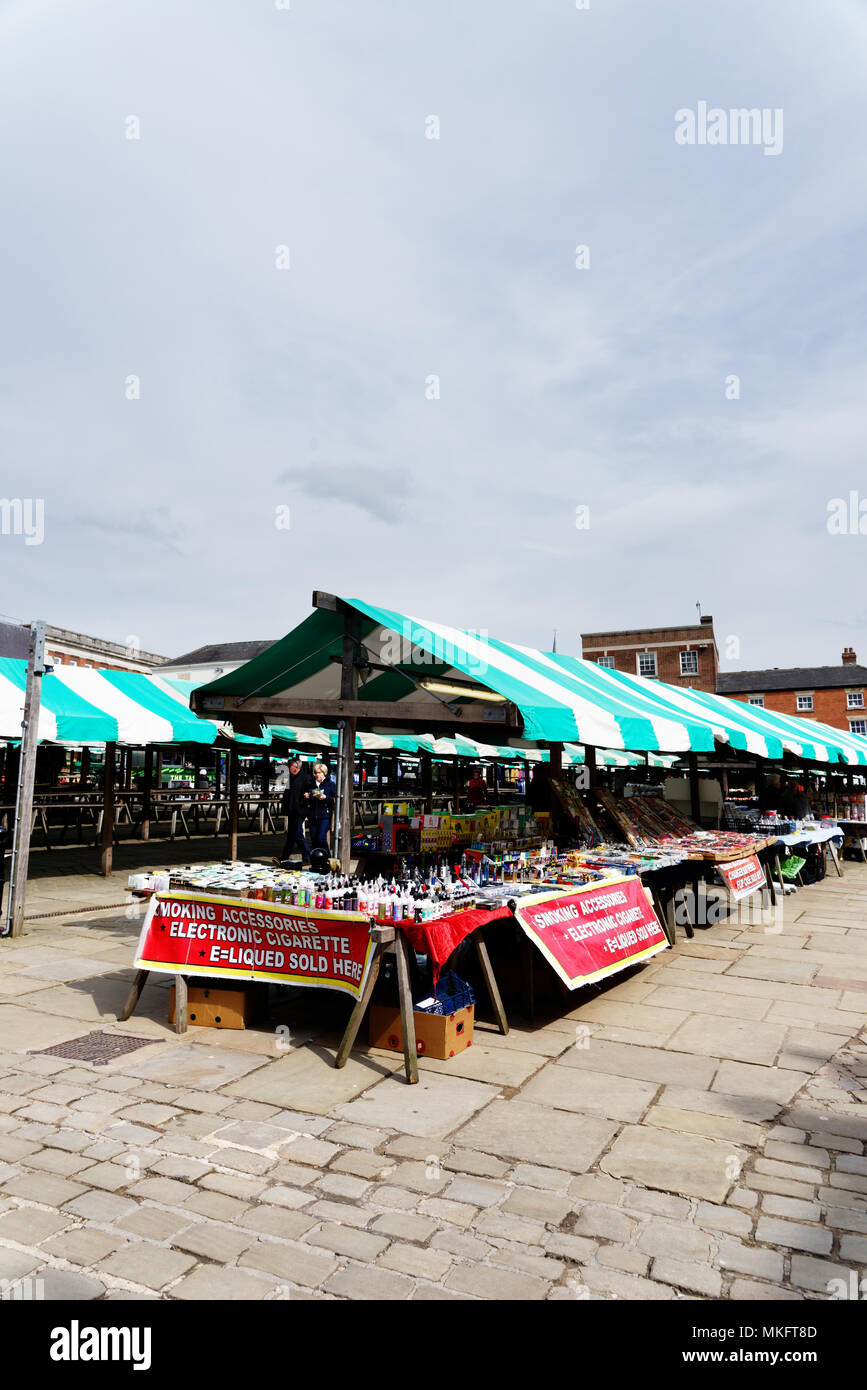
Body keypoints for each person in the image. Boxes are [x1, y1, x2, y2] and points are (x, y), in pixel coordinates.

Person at [275, 755, 313, 865]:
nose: (288, 767)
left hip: (300, 809)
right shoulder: (291, 777)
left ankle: (305, 857)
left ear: (296, 767)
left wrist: (308, 795)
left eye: (290, 766)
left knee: (296, 833)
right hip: (291, 809)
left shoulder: (306, 777)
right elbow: (287, 794)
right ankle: (286, 857)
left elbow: (311, 790)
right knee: (293, 834)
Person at [304, 760, 337, 855]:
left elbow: (335, 800)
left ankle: (328, 858)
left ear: (324, 773)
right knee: (314, 839)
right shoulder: (310, 784)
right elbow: (306, 796)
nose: (317, 775)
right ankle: (317, 859)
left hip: (324, 815)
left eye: (319, 773)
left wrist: (326, 798)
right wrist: (307, 796)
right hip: (312, 815)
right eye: (315, 773)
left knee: (321, 838)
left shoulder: (330, 784)